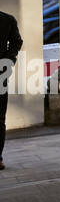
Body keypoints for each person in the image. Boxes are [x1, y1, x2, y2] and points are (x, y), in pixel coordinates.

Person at [0, 9, 20, 170]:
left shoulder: (7, 19)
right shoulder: (7, 19)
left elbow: (16, 42)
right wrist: (8, 60)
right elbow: (16, 42)